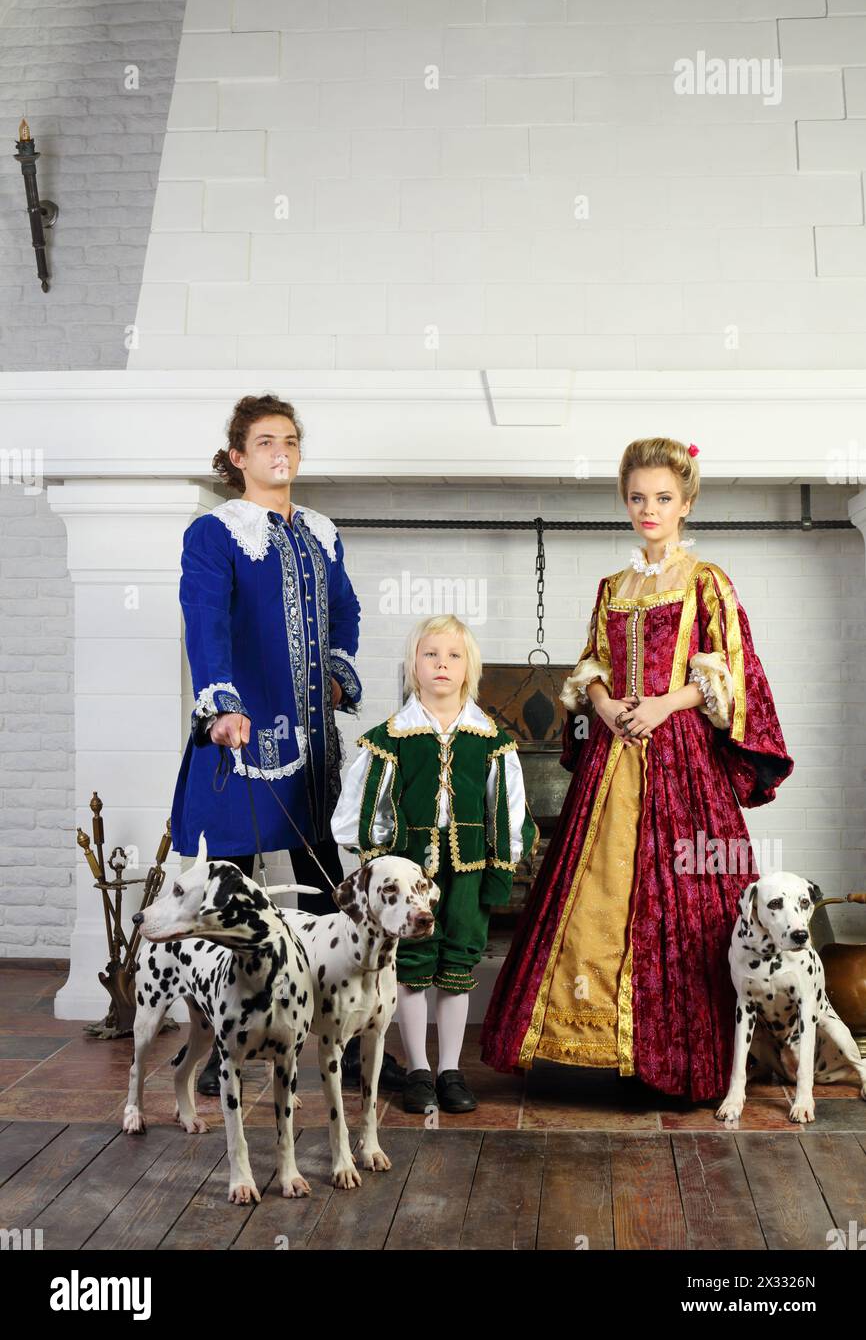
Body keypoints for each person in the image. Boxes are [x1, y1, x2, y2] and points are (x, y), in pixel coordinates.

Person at [480, 437, 794, 1103]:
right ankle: (583, 1049)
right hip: (613, 749)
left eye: (663, 498)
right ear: (626, 502)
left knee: (682, 891)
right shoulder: (611, 588)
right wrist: (603, 703)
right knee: (587, 890)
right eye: (638, 498)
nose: (649, 509)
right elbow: (590, 662)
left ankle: (679, 1058)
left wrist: (662, 706)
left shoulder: (706, 580)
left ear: (686, 503)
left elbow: (730, 672)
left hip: (678, 750)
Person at [169, 391, 405, 1094]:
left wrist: (337, 669)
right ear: (238, 456)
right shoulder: (215, 533)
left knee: (325, 890)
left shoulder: (322, 532)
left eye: (292, 441)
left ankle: (339, 1034)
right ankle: (224, 1045)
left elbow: (346, 610)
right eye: (267, 441)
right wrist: (220, 704)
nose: (283, 452)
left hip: (313, 739)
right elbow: (204, 618)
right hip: (243, 727)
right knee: (233, 888)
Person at [331, 614, 538, 1114]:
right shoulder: (390, 739)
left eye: (453, 656)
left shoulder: (491, 740)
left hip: (466, 873)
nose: (441, 664)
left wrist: (499, 872)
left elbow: (506, 810)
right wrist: (381, 866)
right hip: (409, 878)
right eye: (430, 655)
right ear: (413, 666)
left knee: (457, 965)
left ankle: (451, 1069)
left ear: (469, 668)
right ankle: (419, 1069)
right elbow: (361, 810)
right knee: (413, 968)